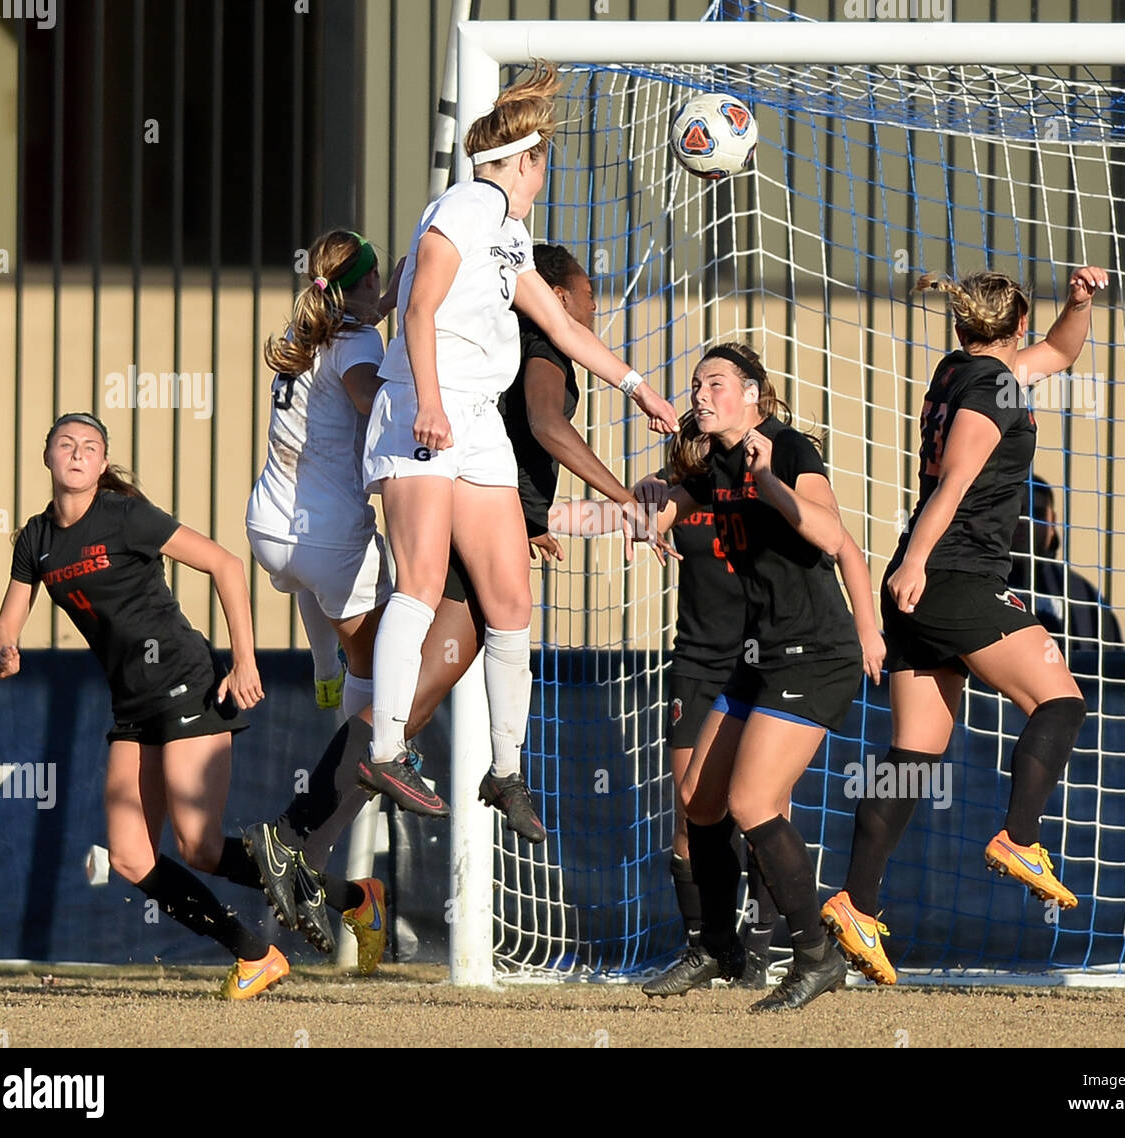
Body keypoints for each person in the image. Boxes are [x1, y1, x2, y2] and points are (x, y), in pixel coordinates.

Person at [244, 244, 674, 919]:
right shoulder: (542, 352)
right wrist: (625, 500)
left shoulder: (499, 345)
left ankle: (302, 848)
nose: (596, 304)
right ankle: (295, 837)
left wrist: (529, 517)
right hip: (456, 548)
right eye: (589, 290)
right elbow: (542, 423)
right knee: (403, 709)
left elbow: (501, 446)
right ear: (557, 296)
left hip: (461, 532)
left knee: (402, 713)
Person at [356, 64, 678, 842]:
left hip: (475, 423)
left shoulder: (509, 230)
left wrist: (637, 387)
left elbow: (564, 330)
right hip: (424, 413)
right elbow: (419, 306)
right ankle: (386, 748)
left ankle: (505, 772)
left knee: (510, 605)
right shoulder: (467, 204)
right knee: (424, 584)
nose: (546, 175)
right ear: (528, 160)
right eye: (546, 162)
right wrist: (430, 403)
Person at [0, 414, 372, 999]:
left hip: (187, 682)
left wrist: (244, 661)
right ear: (47, 457)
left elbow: (226, 564)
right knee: (131, 857)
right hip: (131, 705)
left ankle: (343, 908)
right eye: (66, 444)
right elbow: (4, 630)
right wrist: (2, 652)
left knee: (198, 847)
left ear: (103, 462)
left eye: (90, 446)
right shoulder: (36, 539)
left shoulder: (125, 515)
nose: (78, 453)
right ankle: (296, 931)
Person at [821, 266, 1108, 986]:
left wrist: (1078, 306)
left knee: (916, 750)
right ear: (1013, 330)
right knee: (1061, 701)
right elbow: (952, 484)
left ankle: (856, 903)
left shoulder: (967, 369)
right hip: (949, 577)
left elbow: (1062, 353)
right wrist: (915, 563)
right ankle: (1020, 837)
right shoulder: (988, 389)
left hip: (929, 583)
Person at [634, 343, 885, 1013]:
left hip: (815, 649)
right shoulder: (714, 461)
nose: (700, 392)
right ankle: (717, 944)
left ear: (750, 393)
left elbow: (839, 542)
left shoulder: (788, 448)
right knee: (699, 800)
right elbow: (669, 499)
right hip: (758, 653)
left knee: (753, 803)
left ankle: (815, 956)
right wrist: (654, 515)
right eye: (694, 383)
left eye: (714, 382)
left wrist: (870, 631)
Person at [242, 229, 406, 973]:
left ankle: (323, 670)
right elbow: (372, 401)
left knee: (323, 617)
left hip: (267, 529)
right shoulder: (359, 345)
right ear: (363, 290)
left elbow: (356, 317)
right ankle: (338, 813)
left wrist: (393, 293)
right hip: (328, 537)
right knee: (381, 696)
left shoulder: (301, 329)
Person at [632, 466, 781, 987]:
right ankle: (705, 949)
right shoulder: (673, 489)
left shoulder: (767, 475)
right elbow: (611, 515)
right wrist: (635, 499)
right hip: (697, 666)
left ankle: (758, 957)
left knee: (765, 815)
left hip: (763, 662)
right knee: (693, 816)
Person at [1008, 475, 1123, 655]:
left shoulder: (1084, 597)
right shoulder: (977, 585)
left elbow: (1113, 669)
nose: (1026, 521)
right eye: (1017, 510)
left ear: (1052, 522)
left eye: (1036, 513)